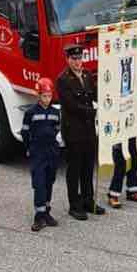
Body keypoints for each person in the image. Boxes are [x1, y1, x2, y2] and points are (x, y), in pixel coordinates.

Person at [56, 44, 101, 219]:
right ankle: (74, 205)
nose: (78, 62)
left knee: (88, 167)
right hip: (73, 130)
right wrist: (93, 112)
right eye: (74, 59)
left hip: (89, 129)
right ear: (68, 60)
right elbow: (71, 106)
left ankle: (88, 201)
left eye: (80, 58)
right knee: (75, 169)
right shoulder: (63, 80)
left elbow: (94, 94)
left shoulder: (87, 75)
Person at [20, 77, 61, 232]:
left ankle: (47, 212)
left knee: (49, 182)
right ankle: (39, 216)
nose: (47, 99)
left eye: (49, 96)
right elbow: (24, 132)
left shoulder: (55, 112)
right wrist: (29, 148)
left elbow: (57, 129)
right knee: (39, 183)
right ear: (38, 96)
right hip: (37, 152)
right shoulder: (31, 113)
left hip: (51, 151)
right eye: (44, 96)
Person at [108, 137, 137, 208]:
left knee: (134, 159)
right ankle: (113, 194)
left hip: (131, 129)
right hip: (119, 132)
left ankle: (132, 191)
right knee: (120, 164)